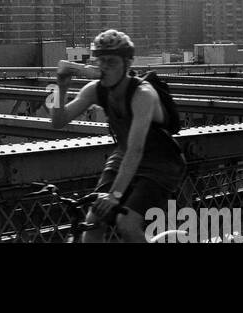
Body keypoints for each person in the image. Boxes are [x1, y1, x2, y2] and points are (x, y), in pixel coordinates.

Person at [51, 29, 186, 242]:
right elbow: (59, 121)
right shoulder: (96, 90)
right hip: (123, 157)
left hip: (160, 164)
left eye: (111, 62)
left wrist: (114, 196)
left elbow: (136, 150)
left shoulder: (143, 94)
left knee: (127, 224)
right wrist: (60, 87)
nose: (104, 67)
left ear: (127, 64)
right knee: (93, 219)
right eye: (101, 61)